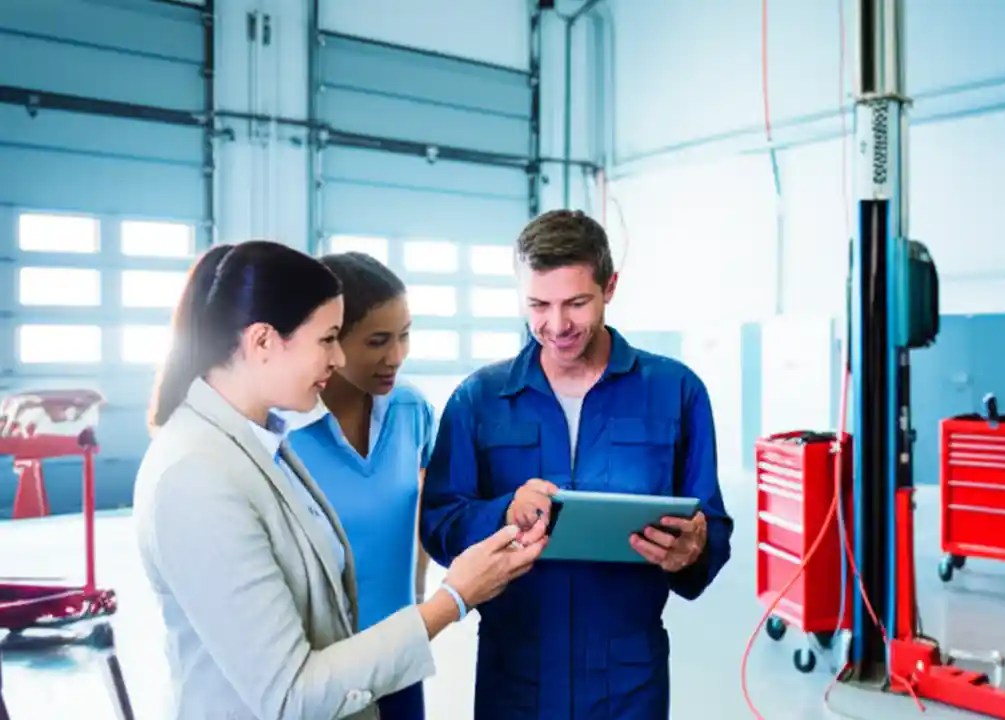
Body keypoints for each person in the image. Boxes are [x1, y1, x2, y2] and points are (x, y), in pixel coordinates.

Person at [133, 240, 546, 720]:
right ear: (263, 341)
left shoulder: (262, 442)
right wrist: (452, 598)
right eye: (327, 340)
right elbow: (292, 694)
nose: (335, 361)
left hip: (369, 673)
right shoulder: (196, 476)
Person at [420, 210, 734, 720]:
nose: (557, 325)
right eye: (538, 305)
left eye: (576, 303)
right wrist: (503, 512)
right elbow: (439, 526)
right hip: (513, 670)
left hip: (629, 674)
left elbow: (711, 528)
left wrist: (693, 551)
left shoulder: (677, 392)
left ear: (610, 287)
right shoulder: (479, 399)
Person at [285, 252, 434, 720]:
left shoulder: (412, 408)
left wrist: (417, 592)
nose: (397, 356)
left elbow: (426, 496)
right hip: (323, 666)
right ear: (333, 341)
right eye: (377, 341)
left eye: (404, 335)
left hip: (400, 655)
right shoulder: (283, 430)